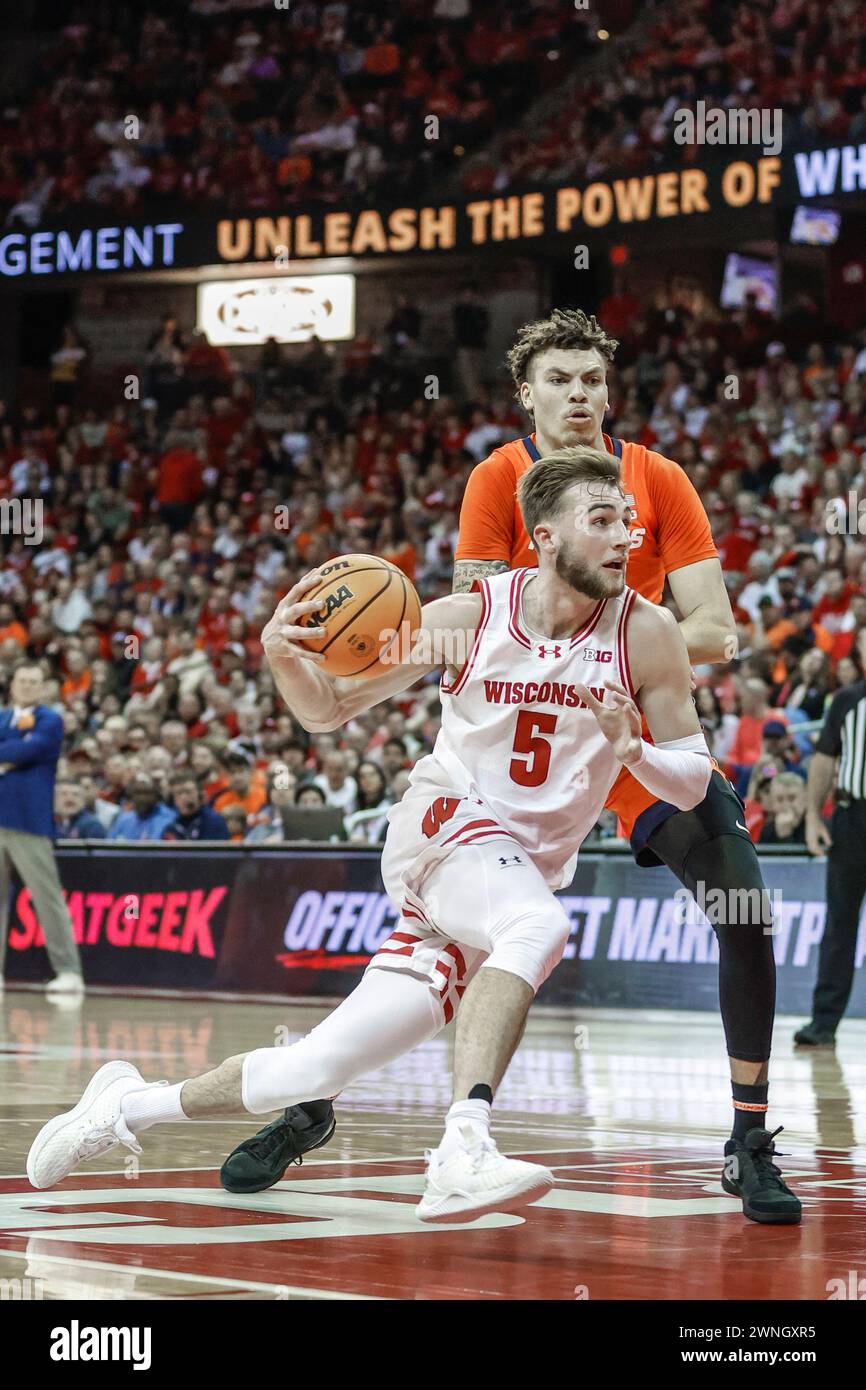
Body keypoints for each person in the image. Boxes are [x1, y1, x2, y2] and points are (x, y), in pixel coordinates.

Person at [28, 449, 800, 1226]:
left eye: (627, 522)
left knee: (315, 1064)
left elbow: (696, 779)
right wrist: (280, 657)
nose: (624, 537)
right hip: (446, 828)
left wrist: (633, 752)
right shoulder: (465, 623)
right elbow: (327, 710)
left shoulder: (648, 634)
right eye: (601, 521)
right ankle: (463, 1145)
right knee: (538, 926)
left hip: (507, 876)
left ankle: (126, 1108)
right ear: (545, 537)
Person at [236, 307, 797, 1218]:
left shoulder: (658, 477)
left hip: (629, 731)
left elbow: (717, 630)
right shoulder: (498, 479)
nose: (581, 396)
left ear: (609, 392)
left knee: (741, 894)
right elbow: (476, 617)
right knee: (467, 930)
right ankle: (312, 1098)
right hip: (524, 730)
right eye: (561, 382)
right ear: (526, 395)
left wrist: (621, 655)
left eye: (593, 381)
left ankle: (747, 1137)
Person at [796, 629, 866, 1046]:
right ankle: (823, 1024)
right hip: (851, 818)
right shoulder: (846, 700)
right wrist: (811, 818)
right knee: (839, 926)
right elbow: (823, 760)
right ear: (858, 650)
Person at [0, 662, 85, 996]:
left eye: (35, 681)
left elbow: (33, 748)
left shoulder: (50, 719)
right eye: (23, 680)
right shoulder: (4, 717)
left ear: (44, 687)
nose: (28, 686)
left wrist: (13, 752)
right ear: (13, 685)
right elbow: (19, 748)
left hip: (28, 821)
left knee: (46, 897)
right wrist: (13, 752)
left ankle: (69, 971)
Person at [106, 773, 177, 841]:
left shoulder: (170, 819)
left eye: (146, 793)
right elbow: (108, 847)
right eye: (138, 793)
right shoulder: (123, 819)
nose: (142, 798)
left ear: (156, 796)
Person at [161, 773, 230, 841]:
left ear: (200, 795)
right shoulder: (171, 827)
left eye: (188, 792)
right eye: (178, 793)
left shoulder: (214, 821)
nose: (183, 797)